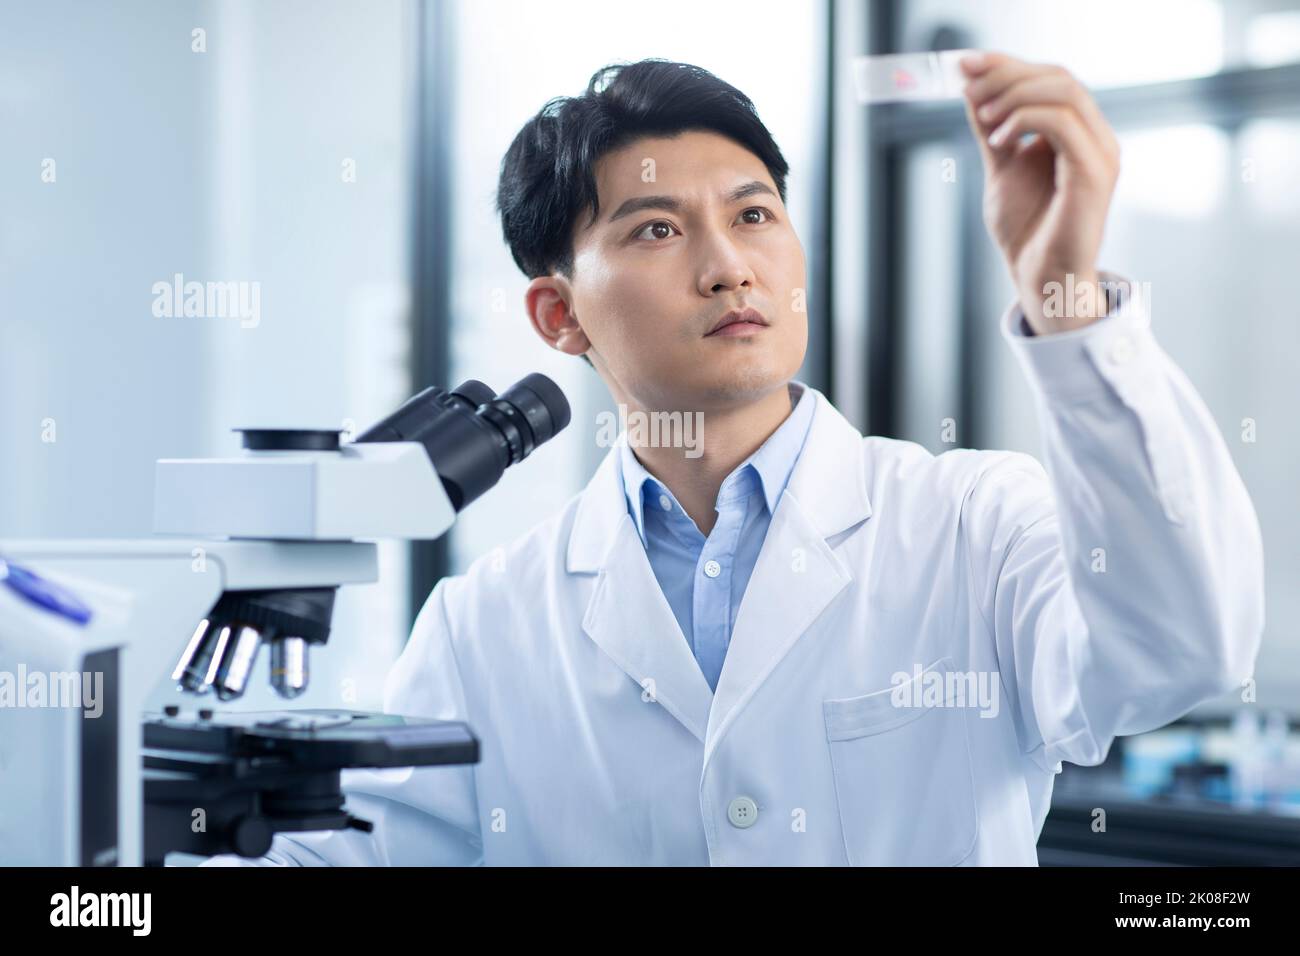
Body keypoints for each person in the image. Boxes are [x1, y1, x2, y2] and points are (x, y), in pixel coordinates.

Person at [206, 54, 1263, 866]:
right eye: (658, 229)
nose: (727, 266)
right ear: (558, 314)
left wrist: (1065, 298)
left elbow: (1183, 648)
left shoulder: (973, 523)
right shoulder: (483, 623)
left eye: (754, 214)